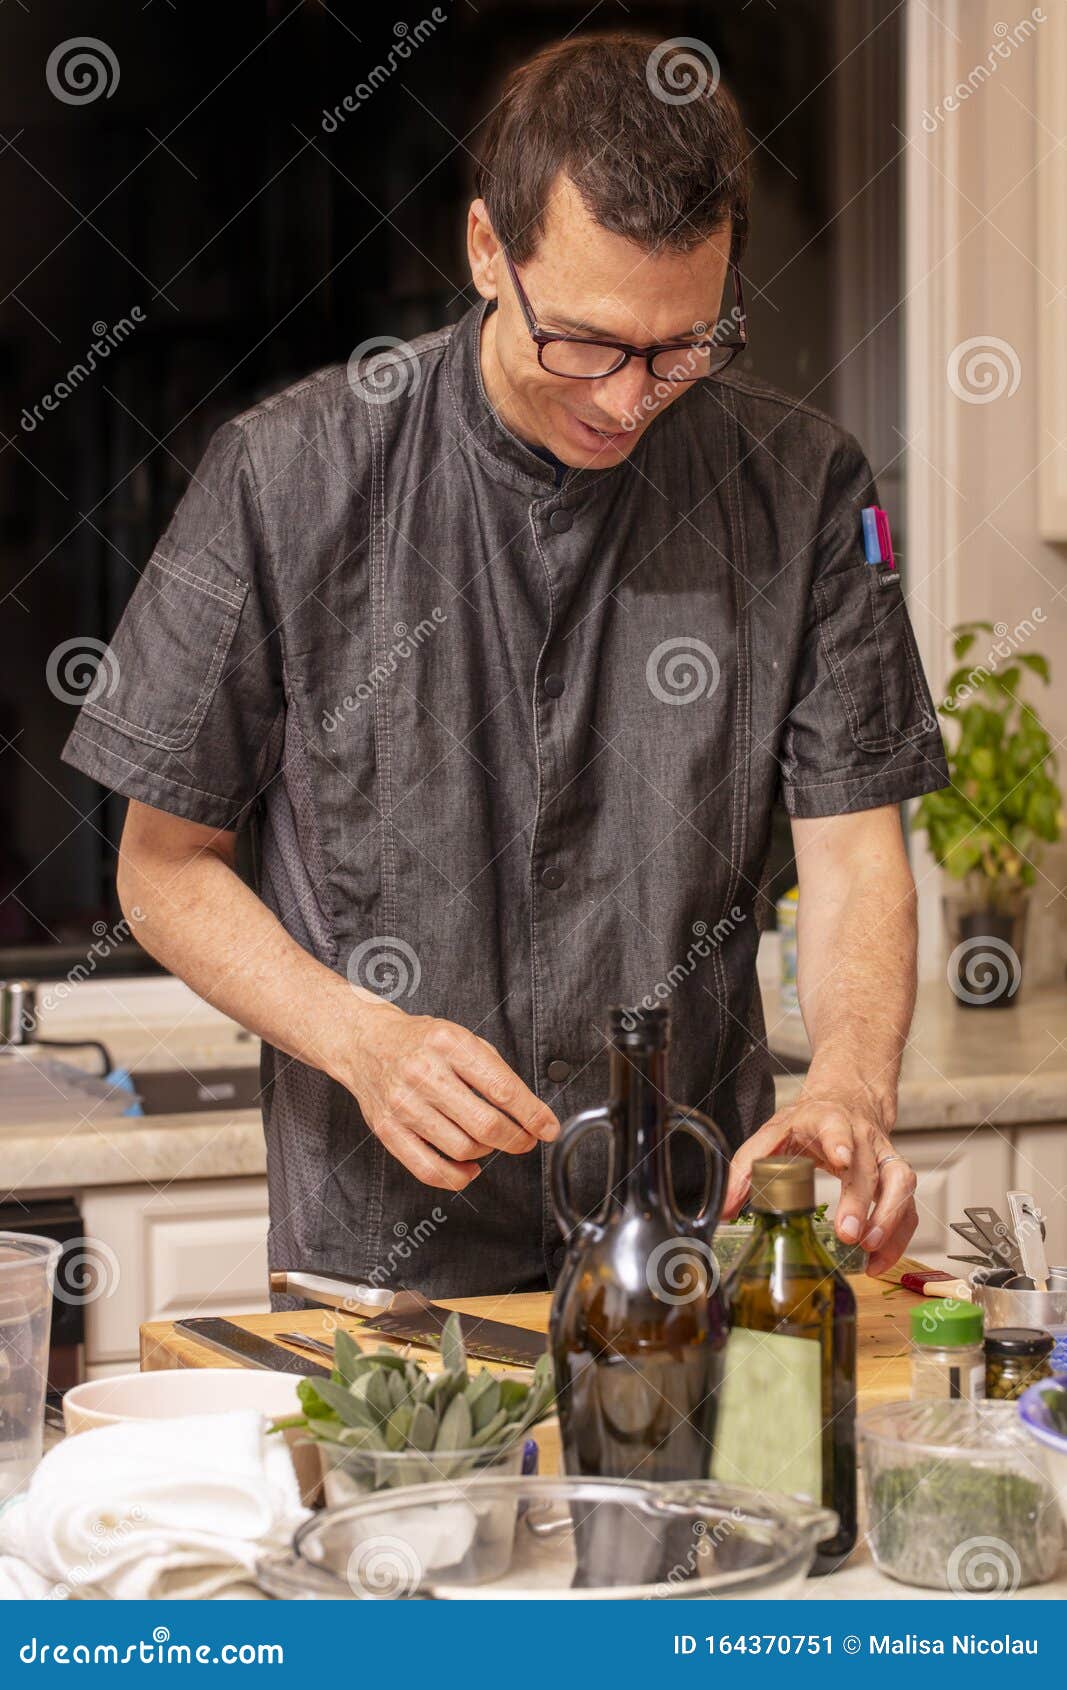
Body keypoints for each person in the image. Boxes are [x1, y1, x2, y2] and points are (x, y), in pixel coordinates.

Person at [61, 33, 948, 1297]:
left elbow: (856, 853)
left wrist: (852, 1087)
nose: (630, 398)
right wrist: (358, 1039)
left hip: (687, 1241)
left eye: (681, 346)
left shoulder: (801, 494)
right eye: (585, 341)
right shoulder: (288, 480)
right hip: (381, 1257)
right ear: (487, 251)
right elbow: (162, 871)